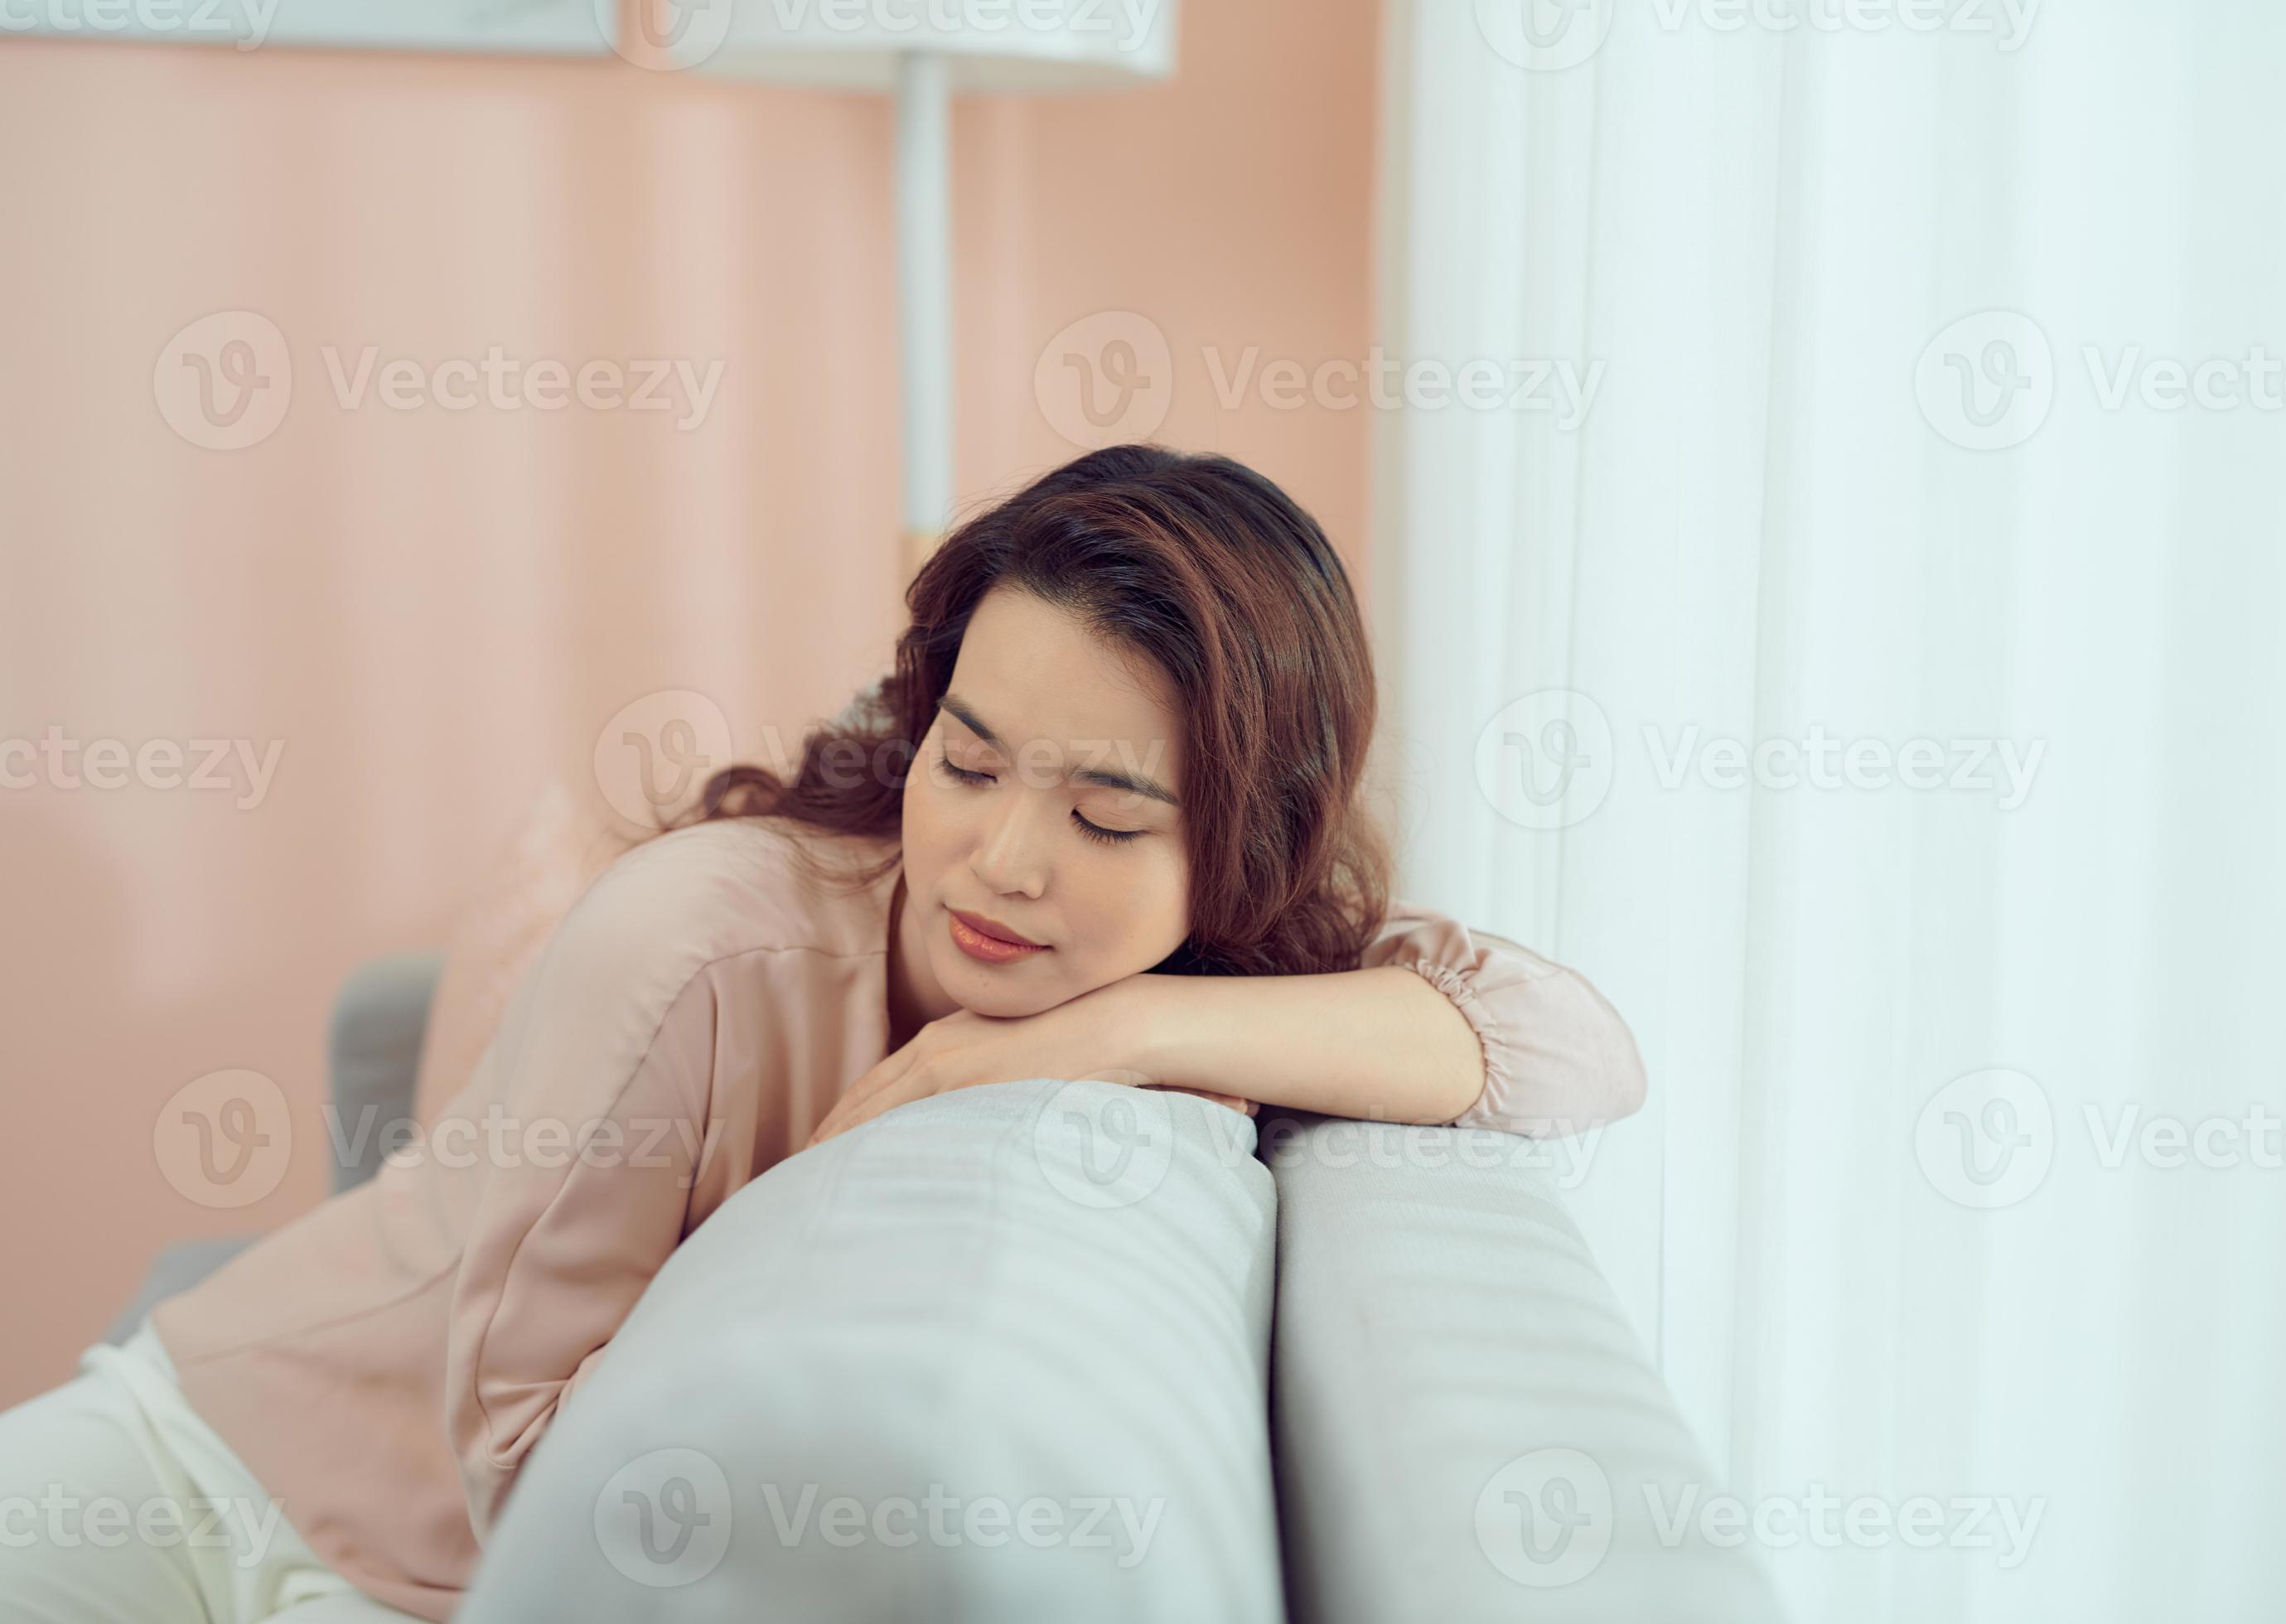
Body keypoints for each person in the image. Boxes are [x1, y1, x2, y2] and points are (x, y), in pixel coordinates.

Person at [0, 445, 1648, 1622]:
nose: (1005, 857)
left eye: (1106, 811)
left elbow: (1574, 1048)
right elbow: (504, 1451)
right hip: (209, 1473)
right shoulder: (701, 939)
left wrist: (1111, 1029)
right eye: (972, 758)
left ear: (1243, 842)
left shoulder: (1205, 975)